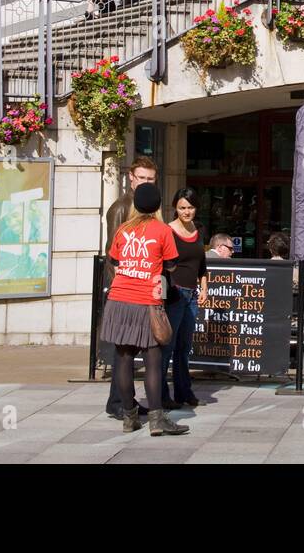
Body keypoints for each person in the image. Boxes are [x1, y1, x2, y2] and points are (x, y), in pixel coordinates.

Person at [99, 183, 188, 436]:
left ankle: (129, 418)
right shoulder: (162, 231)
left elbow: (114, 261)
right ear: (158, 205)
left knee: (124, 359)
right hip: (146, 301)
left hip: (118, 300)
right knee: (152, 359)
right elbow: (171, 266)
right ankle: (157, 420)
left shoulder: (123, 230)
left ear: (135, 204)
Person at [104, 156, 158, 419]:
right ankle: (119, 403)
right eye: (142, 178)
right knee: (124, 352)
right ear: (131, 178)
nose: (146, 183)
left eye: (151, 179)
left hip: (143, 292)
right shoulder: (121, 208)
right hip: (127, 293)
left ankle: (127, 402)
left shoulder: (148, 209)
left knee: (135, 352)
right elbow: (112, 255)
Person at [163, 188, 209, 409]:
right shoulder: (168, 231)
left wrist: (204, 287)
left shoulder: (199, 230)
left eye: (190, 207)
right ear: (175, 208)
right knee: (168, 346)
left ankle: (184, 391)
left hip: (192, 295)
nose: (186, 211)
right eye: (182, 207)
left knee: (184, 346)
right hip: (175, 293)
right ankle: (162, 393)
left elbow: (201, 264)